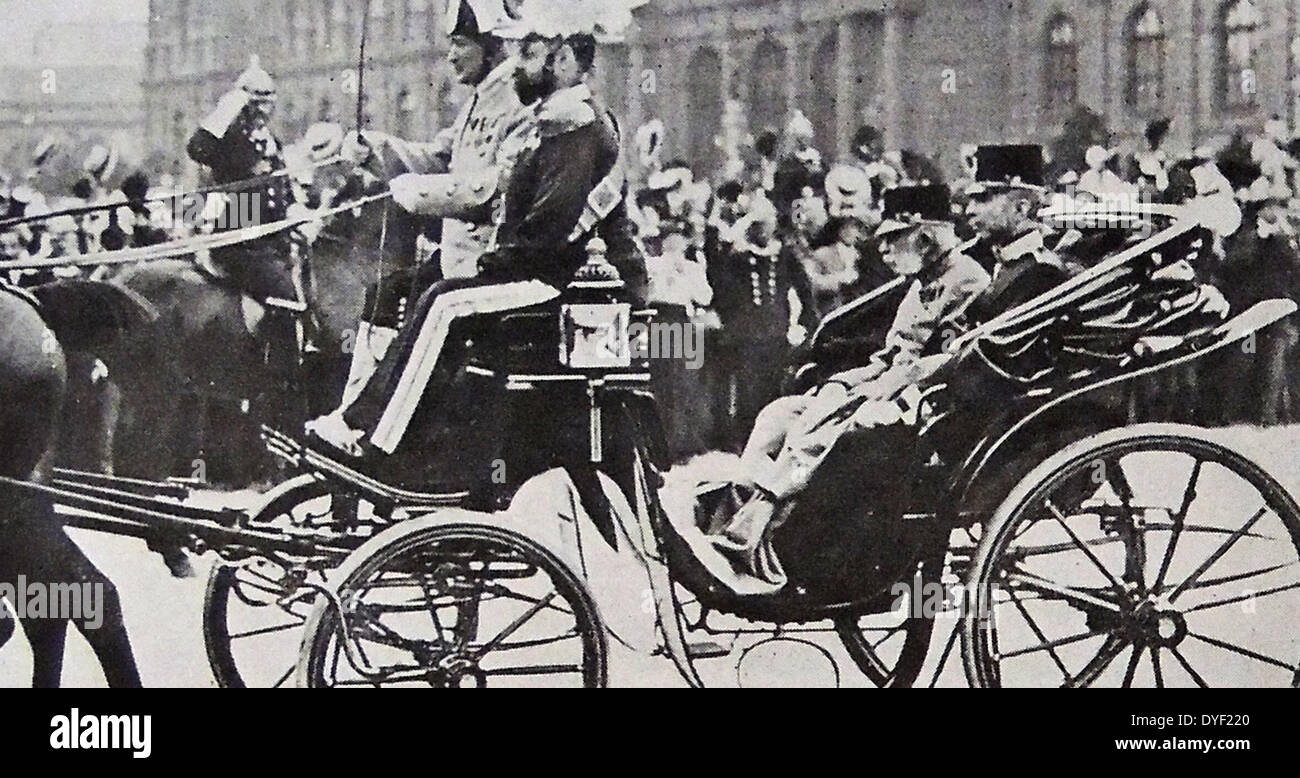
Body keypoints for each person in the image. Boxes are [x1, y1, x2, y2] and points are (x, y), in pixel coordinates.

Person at [307, 0, 641, 477]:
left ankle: (376, 441)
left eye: (528, 56)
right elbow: (495, 190)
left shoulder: (576, 125)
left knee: (447, 302)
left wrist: (491, 265)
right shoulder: (553, 121)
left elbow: (545, 230)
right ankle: (374, 428)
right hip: (544, 273)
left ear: (563, 61)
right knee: (434, 294)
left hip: (558, 280)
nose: (516, 66)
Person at [706, 184, 989, 589]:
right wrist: (846, 381)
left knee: (817, 430)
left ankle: (757, 524)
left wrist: (878, 385)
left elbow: (951, 358)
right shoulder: (919, 283)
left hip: (925, 400)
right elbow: (891, 354)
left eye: (894, 240)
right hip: (887, 383)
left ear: (924, 237)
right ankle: (736, 509)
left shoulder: (966, 280)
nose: (885, 251)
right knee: (780, 413)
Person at [306, 0, 523, 434]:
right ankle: (358, 418)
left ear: (492, 46)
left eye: (460, 44)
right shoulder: (479, 101)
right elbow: (438, 156)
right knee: (384, 293)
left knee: (423, 307)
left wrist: (415, 192)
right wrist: (378, 149)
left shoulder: (513, 102)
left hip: (486, 260)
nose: (451, 55)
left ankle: (378, 427)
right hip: (458, 257)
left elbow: (488, 185)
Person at [186, 55, 298, 308]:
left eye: (267, 104)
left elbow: (284, 191)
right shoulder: (230, 138)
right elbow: (197, 148)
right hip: (241, 242)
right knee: (286, 296)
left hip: (273, 242)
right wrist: (226, 111)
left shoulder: (271, 140)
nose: (263, 111)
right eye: (256, 104)